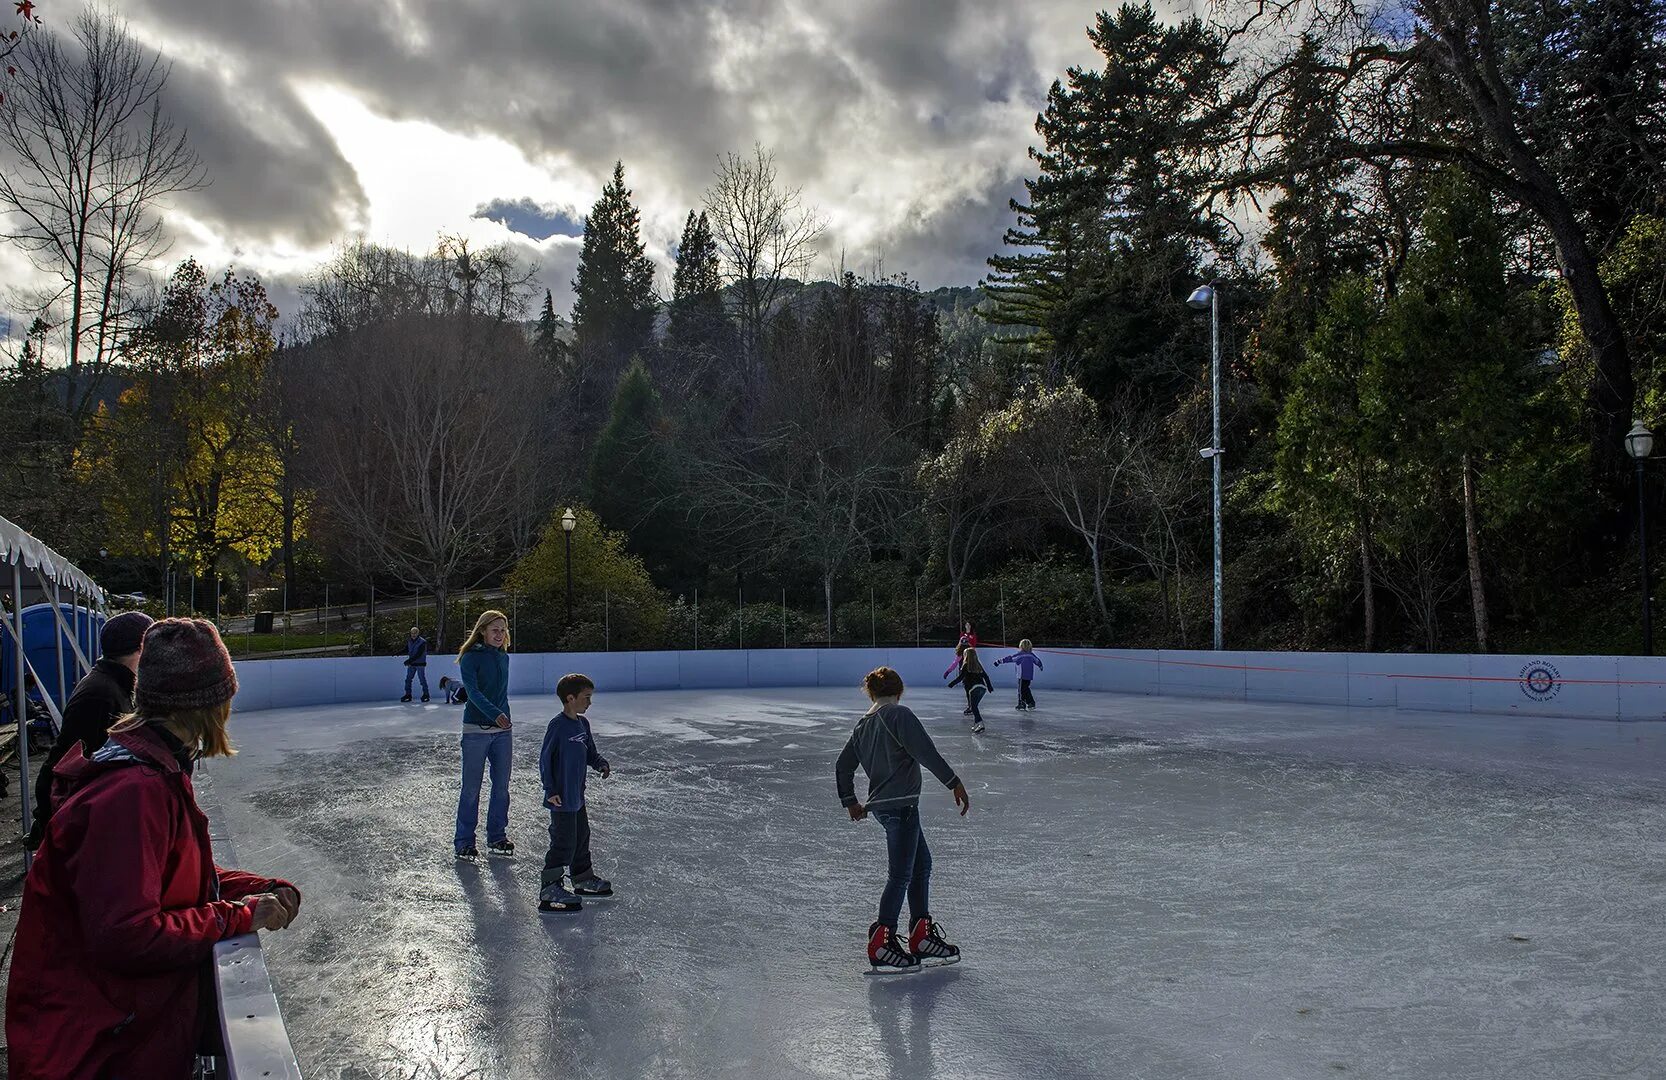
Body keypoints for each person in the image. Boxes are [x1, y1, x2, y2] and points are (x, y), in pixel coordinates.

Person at [5, 617, 302, 1080]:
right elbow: (128, 935)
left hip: (119, 1033)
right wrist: (240, 915)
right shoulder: (133, 792)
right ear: (209, 704)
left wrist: (255, 887)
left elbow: (167, 876)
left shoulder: (153, 768)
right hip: (94, 1051)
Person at [836, 666, 970, 973]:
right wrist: (953, 781)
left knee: (921, 866)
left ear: (871, 693)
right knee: (901, 875)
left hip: (885, 807)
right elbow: (925, 751)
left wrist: (851, 801)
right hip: (901, 806)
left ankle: (921, 936)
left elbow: (843, 766)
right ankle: (881, 942)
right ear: (899, 691)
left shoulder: (863, 725)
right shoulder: (899, 715)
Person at [25, 611, 153, 849]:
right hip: (86, 821)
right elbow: (67, 762)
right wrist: (46, 821)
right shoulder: (102, 694)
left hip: (94, 813)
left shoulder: (113, 684)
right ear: (142, 648)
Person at [537, 672, 615, 912]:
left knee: (581, 837)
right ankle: (550, 886)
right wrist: (550, 789)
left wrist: (600, 763)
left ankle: (582, 877)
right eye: (586, 697)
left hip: (577, 796)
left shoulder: (583, 724)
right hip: (560, 798)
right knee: (564, 842)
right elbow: (545, 759)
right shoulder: (558, 726)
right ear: (570, 698)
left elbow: (590, 752)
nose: (589, 702)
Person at [454, 610, 514, 859]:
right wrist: (495, 714)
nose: (499, 634)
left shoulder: (503, 657)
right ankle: (464, 841)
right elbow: (473, 693)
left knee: (501, 787)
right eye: (494, 630)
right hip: (476, 731)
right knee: (471, 789)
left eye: (503, 630)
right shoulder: (470, 657)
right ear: (482, 631)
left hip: (503, 732)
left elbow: (501, 693)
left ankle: (497, 836)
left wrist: (503, 716)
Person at [946, 645, 994, 723]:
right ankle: (977, 723)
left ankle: (979, 723)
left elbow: (961, 677)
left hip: (973, 688)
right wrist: (989, 687)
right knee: (974, 707)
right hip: (982, 688)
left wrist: (952, 684)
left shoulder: (965, 665)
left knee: (973, 707)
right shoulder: (978, 665)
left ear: (966, 656)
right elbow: (986, 676)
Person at [993, 639, 1045, 711]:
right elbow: (1037, 661)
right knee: (1026, 689)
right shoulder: (1031, 655)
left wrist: (998, 661)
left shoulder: (1020, 655)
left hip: (1021, 675)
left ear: (1021, 646)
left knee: (1021, 690)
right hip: (1029, 676)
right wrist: (1041, 666)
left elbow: (1010, 658)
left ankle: (1022, 703)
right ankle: (1030, 703)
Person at [401, 625, 430, 702]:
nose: (413, 635)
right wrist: (398, 652)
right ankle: (408, 694)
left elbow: (419, 654)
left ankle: (426, 694)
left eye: (415, 633)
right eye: (412, 633)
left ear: (418, 633)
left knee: (422, 680)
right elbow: (406, 649)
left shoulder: (422, 642)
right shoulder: (410, 641)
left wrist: (409, 661)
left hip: (420, 664)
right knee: (408, 679)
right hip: (412, 664)